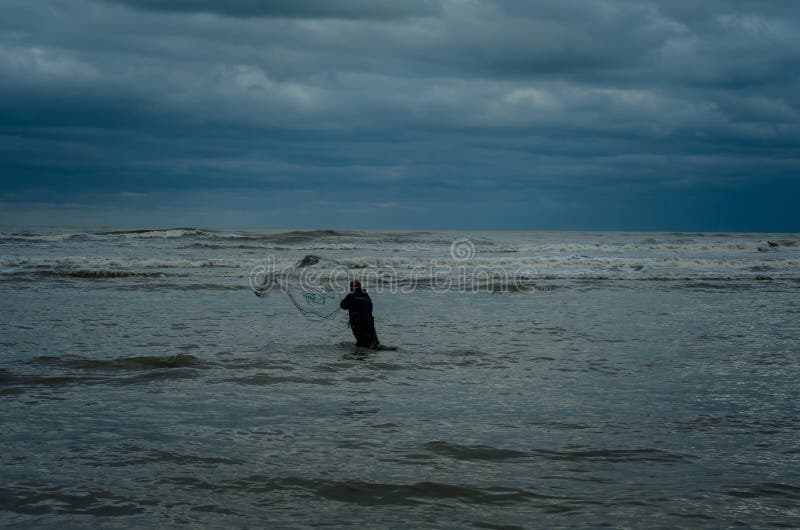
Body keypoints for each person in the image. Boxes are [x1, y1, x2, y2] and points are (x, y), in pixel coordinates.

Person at [340, 279, 380, 348]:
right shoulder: (366, 295)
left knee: (361, 343)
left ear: (351, 287)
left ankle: (360, 351)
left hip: (357, 322)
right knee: (374, 344)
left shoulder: (351, 295)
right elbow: (371, 307)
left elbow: (342, 306)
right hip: (369, 322)